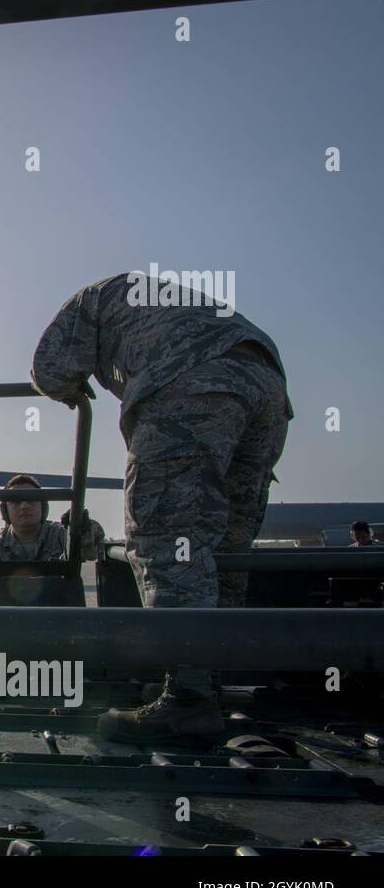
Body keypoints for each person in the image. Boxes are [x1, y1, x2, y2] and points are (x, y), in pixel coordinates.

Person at [31, 273, 292, 743]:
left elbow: (50, 369)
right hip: (267, 382)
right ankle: (205, 676)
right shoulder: (161, 300)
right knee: (226, 542)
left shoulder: (89, 299)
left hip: (191, 380)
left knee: (166, 535)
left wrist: (70, 389)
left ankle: (187, 699)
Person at [0, 473, 105, 561]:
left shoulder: (59, 535)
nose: (24, 506)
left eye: (32, 499)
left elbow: (92, 552)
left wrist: (79, 527)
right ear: (5, 510)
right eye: (16, 500)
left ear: (43, 507)